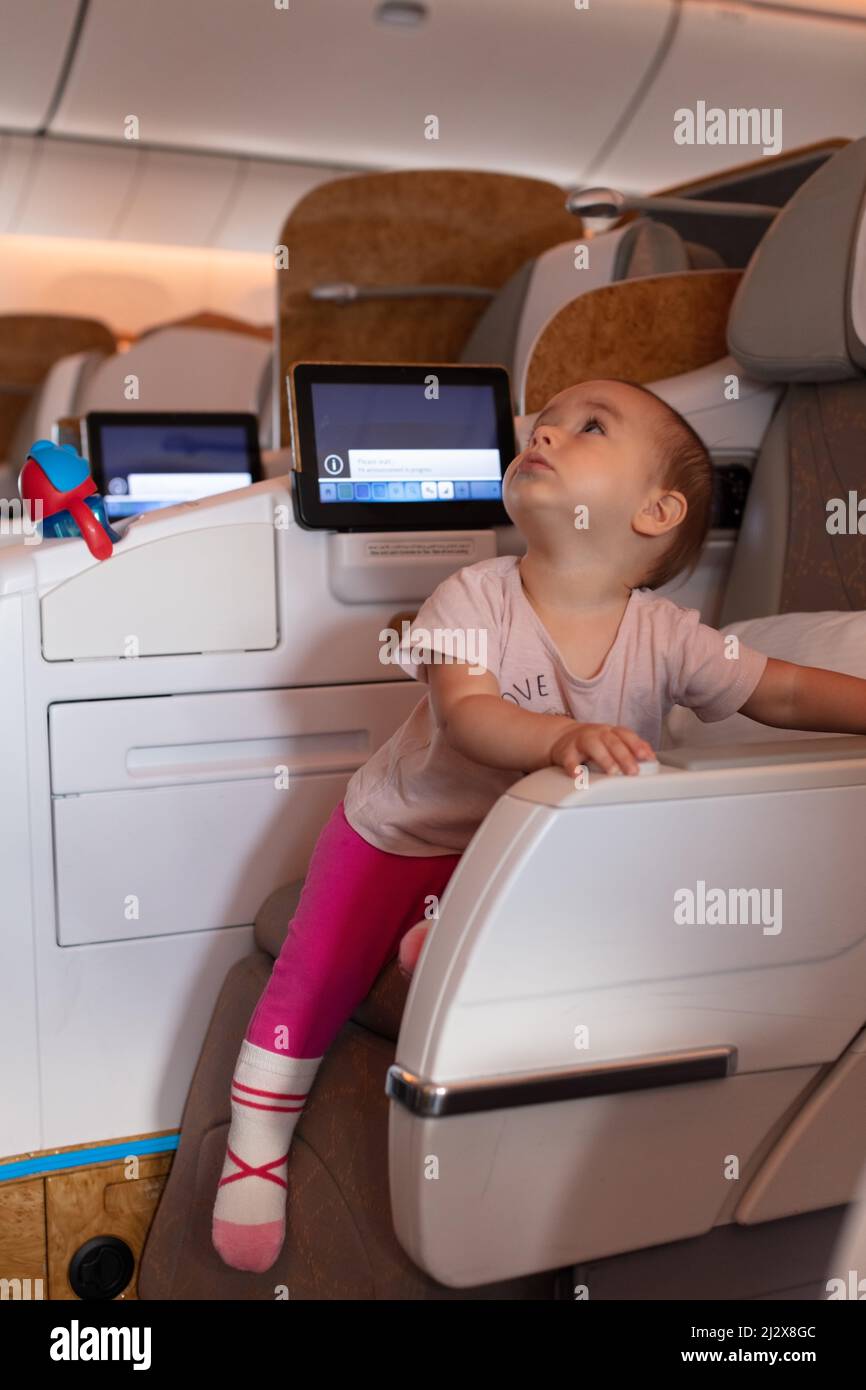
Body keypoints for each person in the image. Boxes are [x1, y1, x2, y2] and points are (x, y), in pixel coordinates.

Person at [212, 378, 866, 1271]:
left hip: (523, 856)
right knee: (313, 977)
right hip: (400, 835)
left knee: (573, 915)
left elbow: (782, 687)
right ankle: (253, 1148)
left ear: (655, 511)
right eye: (546, 422)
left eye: (589, 427)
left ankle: (437, 941)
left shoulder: (669, 633)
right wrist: (563, 735)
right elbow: (470, 720)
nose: (549, 431)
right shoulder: (469, 599)